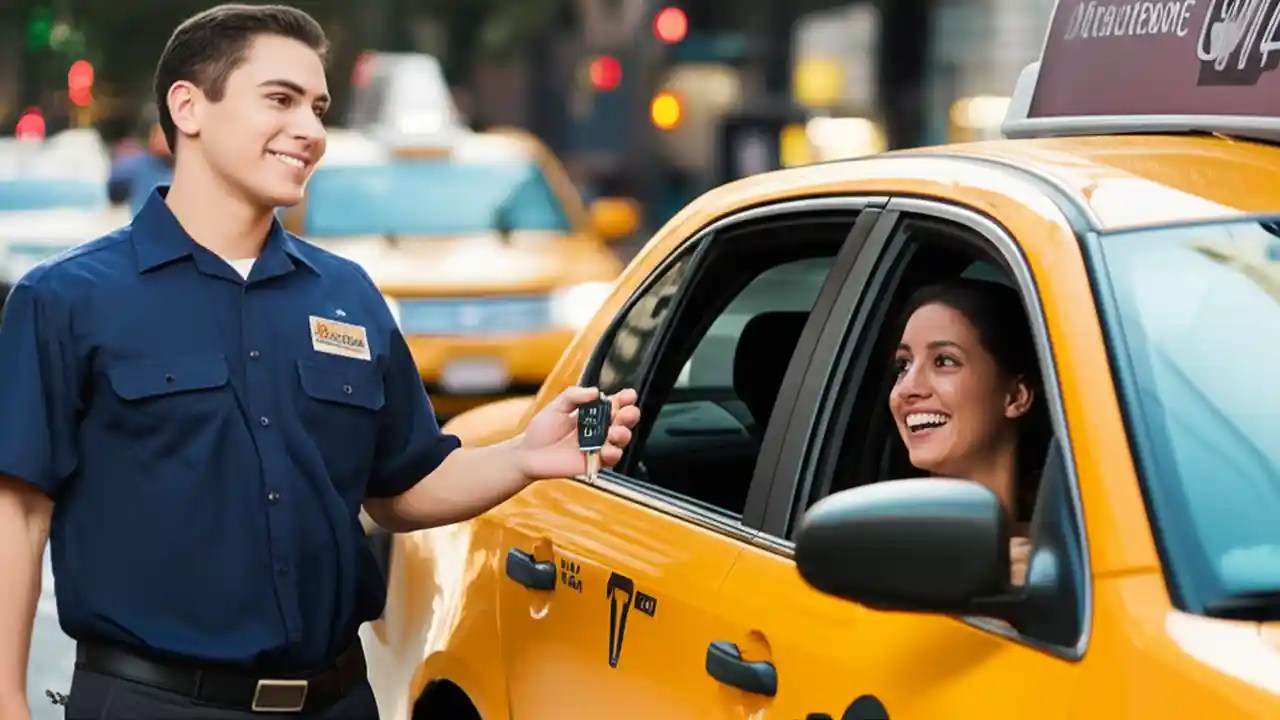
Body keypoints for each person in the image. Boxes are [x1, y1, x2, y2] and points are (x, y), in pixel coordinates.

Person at [0, 5, 640, 719]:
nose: (310, 130)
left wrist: (523, 455)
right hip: (153, 701)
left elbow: (402, 486)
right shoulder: (66, 299)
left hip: (337, 701)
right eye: (280, 99)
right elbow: (19, 514)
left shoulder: (348, 295)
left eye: (318, 107)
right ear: (189, 107)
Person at [889, 278, 1050, 587]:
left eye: (944, 361)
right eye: (903, 365)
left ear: (1016, 396)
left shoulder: (1078, 556)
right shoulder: (877, 545)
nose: (906, 388)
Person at [106, 104, 175, 215]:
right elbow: (113, 190)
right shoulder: (136, 166)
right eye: (160, 134)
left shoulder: (187, 169)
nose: (164, 140)